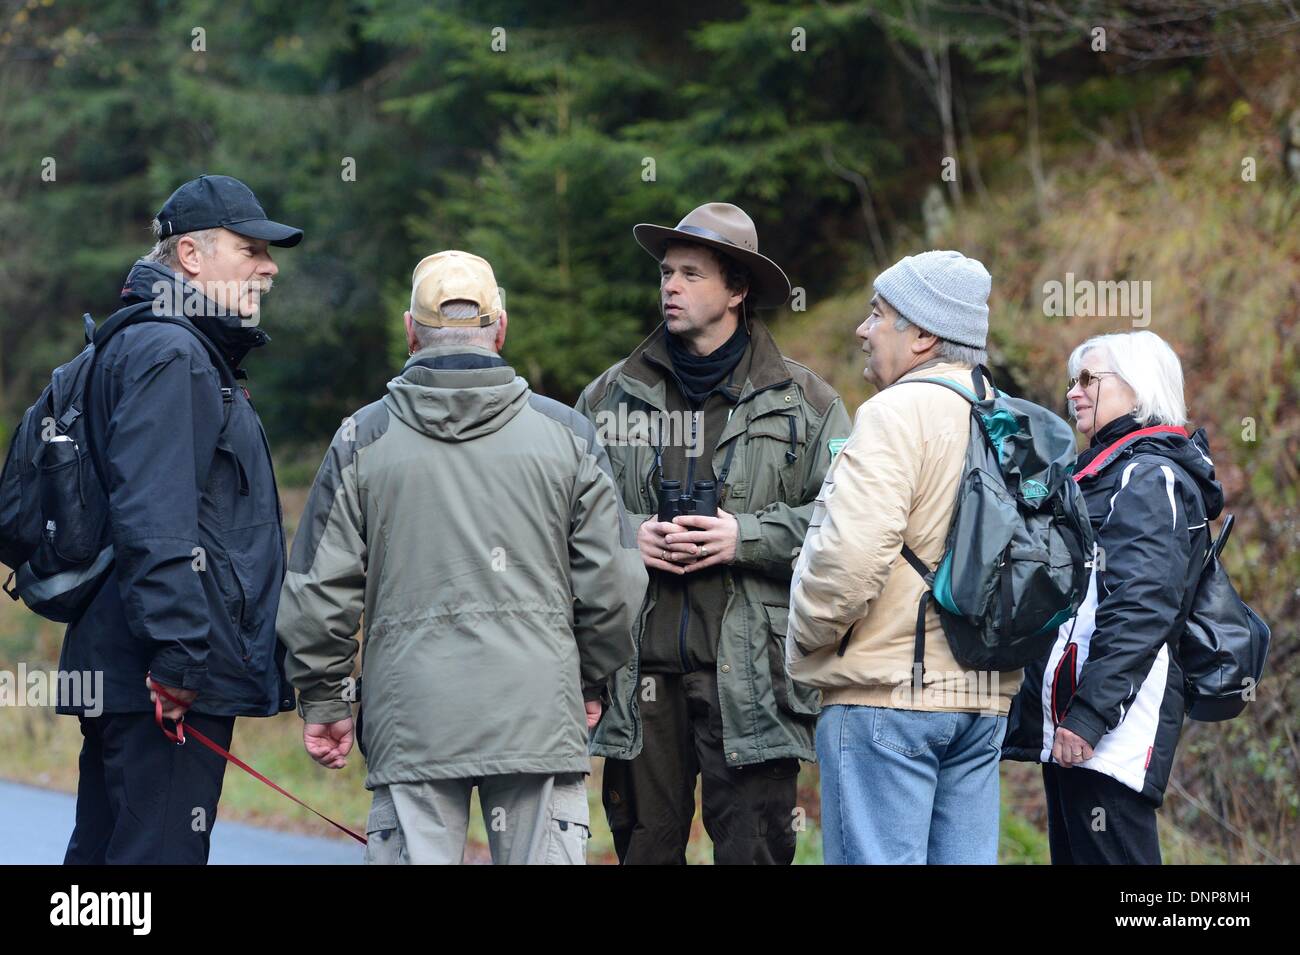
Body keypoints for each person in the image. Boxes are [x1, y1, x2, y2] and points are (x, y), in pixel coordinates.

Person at [276, 250, 644, 865]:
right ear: (501, 328)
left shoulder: (360, 439)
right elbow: (615, 583)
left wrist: (324, 699)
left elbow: (318, 591)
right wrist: (589, 678)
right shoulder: (569, 436)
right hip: (537, 711)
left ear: (409, 331)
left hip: (411, 715)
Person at [576, 202, 851, 865]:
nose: (670, 286)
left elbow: (844, 525)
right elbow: (562, 514)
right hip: (638, 679)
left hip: (752, 680)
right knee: (644, 852)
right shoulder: (608, 398)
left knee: (755, 853)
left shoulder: (807, 404)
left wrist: (744, 536)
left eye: (691, 274)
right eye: (667, 273)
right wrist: (627, 536)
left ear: (736, 290)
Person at [60, 174, 302, 864]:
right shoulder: (171, 352)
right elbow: (156, 517)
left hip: (129, 668)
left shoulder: (149, 342)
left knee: (107, 867)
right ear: (191, 257)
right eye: (251, 249)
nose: (269, 266)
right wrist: (176, 660)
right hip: (160, 681)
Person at [786, 250, 1023, 865]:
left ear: (921, 334)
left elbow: (849, 562)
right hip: (982, 698)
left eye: (878, 314)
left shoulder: (894, 414)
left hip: (888, 696)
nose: (863, 330)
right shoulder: (1007, 420)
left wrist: (808, 638)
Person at [1002, 330, 1219, 865]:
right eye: (1071, 380)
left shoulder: (1149, 476)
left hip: (1109, 729)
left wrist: (1089, 717)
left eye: (1088, 380)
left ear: (1138, 388)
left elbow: (1143, 610)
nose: (1073, 392)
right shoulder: (1102, 472)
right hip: (1077, 725)